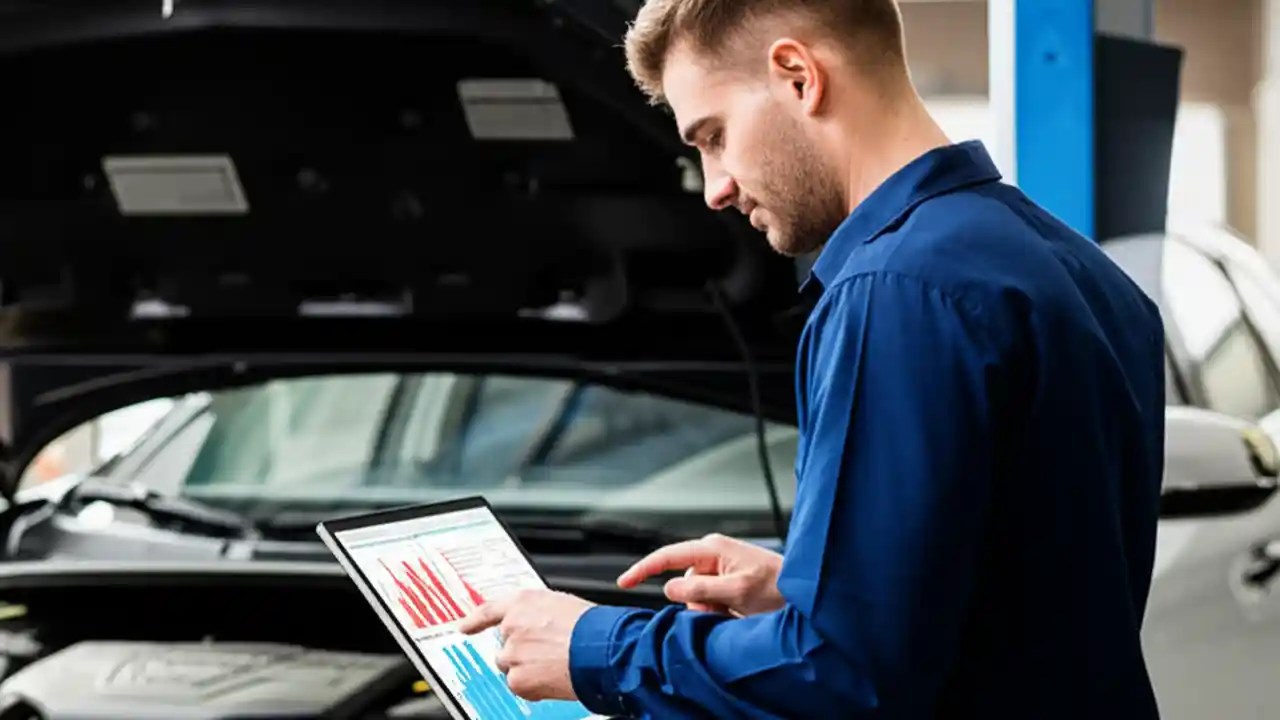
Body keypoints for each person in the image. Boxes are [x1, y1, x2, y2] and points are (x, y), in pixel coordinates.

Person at [459, 0, 1167, 717]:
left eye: (714, 136)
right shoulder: (1078, 270)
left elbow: (843, 677)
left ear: (798, 76)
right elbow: (1027, 599)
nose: (715, 187)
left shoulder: (895, 291)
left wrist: (594, 645)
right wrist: (808, 590)